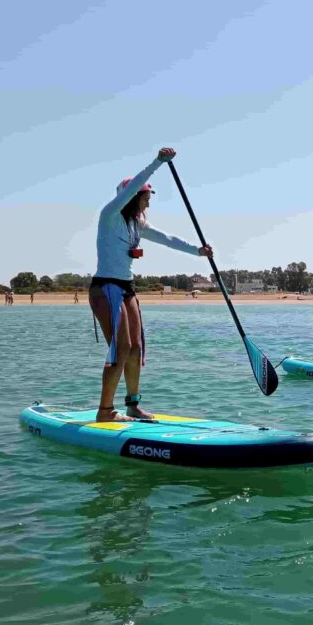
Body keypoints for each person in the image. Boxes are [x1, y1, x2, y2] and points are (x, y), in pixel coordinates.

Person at [89, 147, 212, 422]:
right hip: (106, 287)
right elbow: (132, 186)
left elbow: (167, 238)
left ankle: (132, 405)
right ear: (133, 196)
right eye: (146, 196)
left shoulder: (138, 223)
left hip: (127, 288)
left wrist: (198, 251)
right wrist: (158, 162)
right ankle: (105, 411)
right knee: (119, 348)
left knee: (135, 348)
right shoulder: (110, 215)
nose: (149, 201)